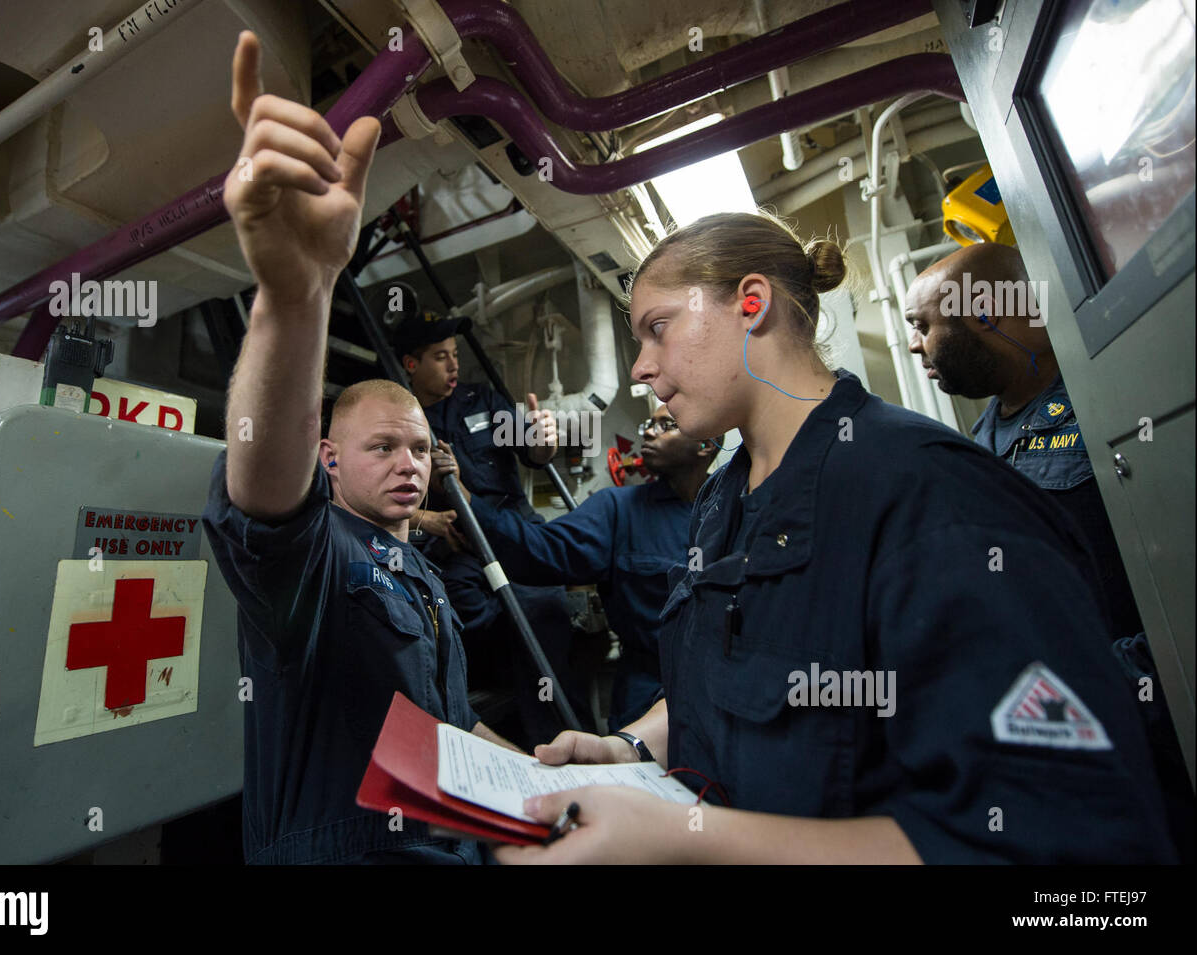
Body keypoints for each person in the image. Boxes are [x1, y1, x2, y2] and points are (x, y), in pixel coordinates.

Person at [493, 211, 1176, 864]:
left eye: (657, 328)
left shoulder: (929, 496)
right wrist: (630, 747)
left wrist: (686, 838)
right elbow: (727, 685)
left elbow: (1062, 842)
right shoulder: (721, 503)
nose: (640, 367)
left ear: (751, 303)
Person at [201, 31, 514, 865]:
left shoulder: (420, 574)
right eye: (382, 446)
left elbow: (454, 728)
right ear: (329, 459)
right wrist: (296, 299)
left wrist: (555, 786)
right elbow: (264, 501)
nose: (410, 462)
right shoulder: (316, 557)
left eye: (418, 447)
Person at [904, 242, 1193, 861]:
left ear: (984, 311)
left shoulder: (1108, 398)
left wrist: (1112, 692)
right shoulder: (981, 441)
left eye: (923, 325)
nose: (914, 345)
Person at [455, 403, 718, 730]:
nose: (649, 431)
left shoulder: (737, 509)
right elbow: (542, 551)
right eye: (649, 423)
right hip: (647, 692)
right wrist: (468, 504)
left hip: (722, 687)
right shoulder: (620, 510)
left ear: (705, 445)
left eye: (666, 425)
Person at [393, 312, 584, 745]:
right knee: (456, 623)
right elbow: (380, 498)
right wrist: (428, 520)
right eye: (440, 357)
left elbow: (532, 452)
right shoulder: (404, 421)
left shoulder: (483, 400)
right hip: (459, 547)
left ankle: (562, 745)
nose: (454, 365)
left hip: (510, 532)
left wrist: (542, 441)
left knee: (541, 619)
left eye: (456, 355)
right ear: (410, 365)